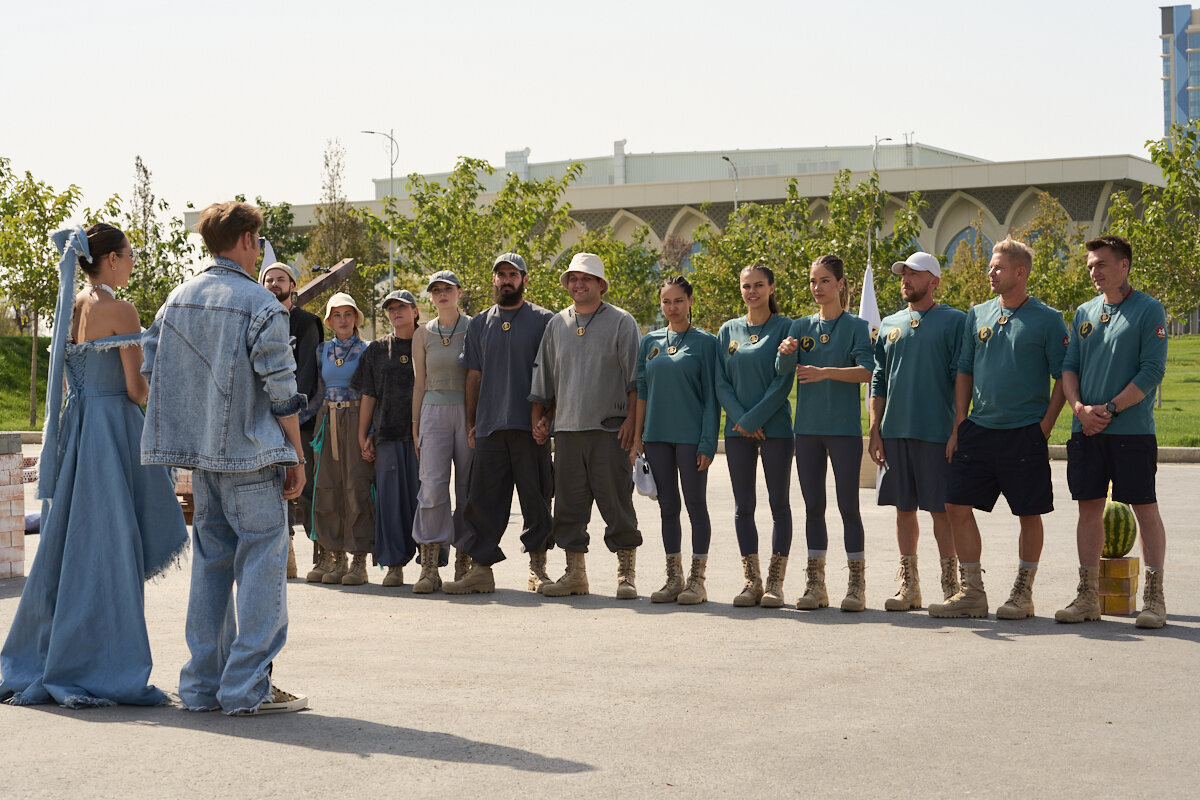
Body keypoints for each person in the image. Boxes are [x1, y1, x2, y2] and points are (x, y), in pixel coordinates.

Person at [0, 225, 188, 708]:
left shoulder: (74, 304)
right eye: (129, 255)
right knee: (111, 550)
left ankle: (56, 653)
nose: (132, 262)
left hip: (80, 429)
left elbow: (69, 383)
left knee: (73, 547)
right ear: (108, 258)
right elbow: (136, 389)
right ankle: (105, 666)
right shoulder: (119, 309)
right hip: (112, 431)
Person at [141, 201, 307, 715]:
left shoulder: (177, 300)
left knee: (211, 568)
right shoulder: (261, 304)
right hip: (253, 459)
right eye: (257, 239)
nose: (259, 249)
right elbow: (282, 389)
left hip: (202, 462)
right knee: (261, 566)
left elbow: (150, 368)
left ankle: (201, 687)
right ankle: (246, 687)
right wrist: (296, 455)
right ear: (244, 241)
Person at [930, 236, 1068, 620]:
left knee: (1028, 512)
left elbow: (1063, 376)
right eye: (990, 266)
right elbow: (964, 370)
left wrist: (1045, 425)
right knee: (955, 504)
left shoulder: (1048, 318)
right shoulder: (978, 314)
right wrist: (960, 423)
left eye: (998, 267)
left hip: (1025, 431)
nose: (990, 272)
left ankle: (1023, 593)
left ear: (1020, 272)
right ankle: (972, 592)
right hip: (979, 429)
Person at [1055, 235, 1170, 628]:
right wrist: (1080, 409)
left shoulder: (1149, 310)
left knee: (1145, 509)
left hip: (1132, 432)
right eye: (1090, 265)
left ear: (1124, 266)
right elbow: (1069, 367)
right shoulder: (1084, 312)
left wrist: (1111, 407)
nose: (1094, 271)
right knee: (1089, 509)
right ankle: (1088, 596)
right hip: (1086, 430)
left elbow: (1152, 371)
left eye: (1101, 263)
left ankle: (1154, 599)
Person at [530, 252, 642, 598]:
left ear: (600, 285)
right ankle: (575, 574)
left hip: (610, 431)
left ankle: (626, 575)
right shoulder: (556, 325)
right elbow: (546, 382)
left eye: (586, 279)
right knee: (568, 506)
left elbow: (637, 382)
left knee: (617, 503)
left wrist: (633, 429)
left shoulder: (622, 322)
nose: (579, 284)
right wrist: (543, 419)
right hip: (566, 433)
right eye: (573, 279)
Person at [445, 253, 556, 595]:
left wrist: (547, 418)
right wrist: (471, 421)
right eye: (501, 275)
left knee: (536, 498)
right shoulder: (479, 323)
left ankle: (538, 569)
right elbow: (473, 376)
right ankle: (481, 570)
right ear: (492, 280)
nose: (506, 280)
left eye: (513, 274)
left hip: (530, 428)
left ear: (524, 280)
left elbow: (554, 374)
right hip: (490, 426)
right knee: (484, 501)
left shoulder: (544, 320)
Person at [867, 251, 965, 611]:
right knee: (903, 509)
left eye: (915, 274)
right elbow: (879, 379)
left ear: (934, 281)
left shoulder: (955, 321)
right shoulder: (890, 324)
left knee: (942, 511)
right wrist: (875, 429)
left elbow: (962, 379)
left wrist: (958, 429)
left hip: (937, 431)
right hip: (895, 432)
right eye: (904, 274)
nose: (906, 279)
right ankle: (910, 587)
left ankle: (951, 585)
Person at [776, 255, 872, 612]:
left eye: (825, 281)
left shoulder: (856, 327)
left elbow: (866, 371)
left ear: (841, 284)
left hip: (844, 431)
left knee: (848, 506)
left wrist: (826, 372)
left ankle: (856, 586)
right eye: (813, 281)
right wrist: (785, 353)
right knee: (813, 506)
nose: (818, 288)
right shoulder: (800, 326)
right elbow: (784, 370)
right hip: (808, 431)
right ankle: (816, 586)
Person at [632, 275, 720, 605]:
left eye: (678, 301)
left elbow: (712, 397)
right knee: (668, 508)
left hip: (691, 437)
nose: (672, 307)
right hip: (656, 437)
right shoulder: (649, 341)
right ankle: (673, 577)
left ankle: (697, 580)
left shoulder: (706, 343)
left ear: (690, 301)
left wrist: (708, 442)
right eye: (666, 301)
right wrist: (638, 437)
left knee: (696, 506)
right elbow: (642, 390)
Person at [717, 265, 795, 608]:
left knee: (779, 504)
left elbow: (783, 382)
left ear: (771, 287)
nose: (752, 291)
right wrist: (743, 421)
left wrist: (755, 419)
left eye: (759, 285)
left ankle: (775, 584)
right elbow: (720, 383)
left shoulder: (786, 327)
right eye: (746, 285)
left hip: (775, 429)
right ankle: (752, 581)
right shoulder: (727, 330)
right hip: (737, 432)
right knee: (743, 506)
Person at [305, 293, 375, 587]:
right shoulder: (322, 350)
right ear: (329, 320)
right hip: (326, 420)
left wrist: (370, 432)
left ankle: (358, 560)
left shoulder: (368, 350)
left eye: (348, 314)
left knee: (356, 486)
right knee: (327, 486)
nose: (343, 320)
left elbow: (374, 392)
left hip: (356, 417)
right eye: (337, 314)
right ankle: (334, 556)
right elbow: (317, 390)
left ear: (356, 318)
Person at [353, 289, 422, 587]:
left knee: (425, 500)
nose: (396, 312)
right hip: (388, 434)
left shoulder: (430, 341)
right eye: (391, 308)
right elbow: (369, 395)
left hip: (425, 436)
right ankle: (394, 564)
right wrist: (363, 434)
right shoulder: (377, 350)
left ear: (416, 311)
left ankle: (430, 564)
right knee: (391, 503)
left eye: (402, 307)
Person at [409, 270, 473, 593]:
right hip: (432, 411)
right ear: (430, 296)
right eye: (436, 290)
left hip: (466, 410)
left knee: (467, 486)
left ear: (459, 292)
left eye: (447, 288)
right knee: (432, 486)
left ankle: (465, 562)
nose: (442, 294)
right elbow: (419, 383)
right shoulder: (422, 334)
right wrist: (415, 424)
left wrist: (477, 420)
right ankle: (430, 567)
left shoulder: (474, 326)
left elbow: (479, 376)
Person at [261, 262, 323, 579]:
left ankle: (323, 556)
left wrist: (292, 415)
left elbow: (307, 378)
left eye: (280, 279)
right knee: (276, 491)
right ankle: (285, 555)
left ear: (293, 285)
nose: (273, 283)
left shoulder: (306, 323)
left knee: (307, 489)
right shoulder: (255, 323)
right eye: (268, 279)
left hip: (302, 419)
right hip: (264, 422)